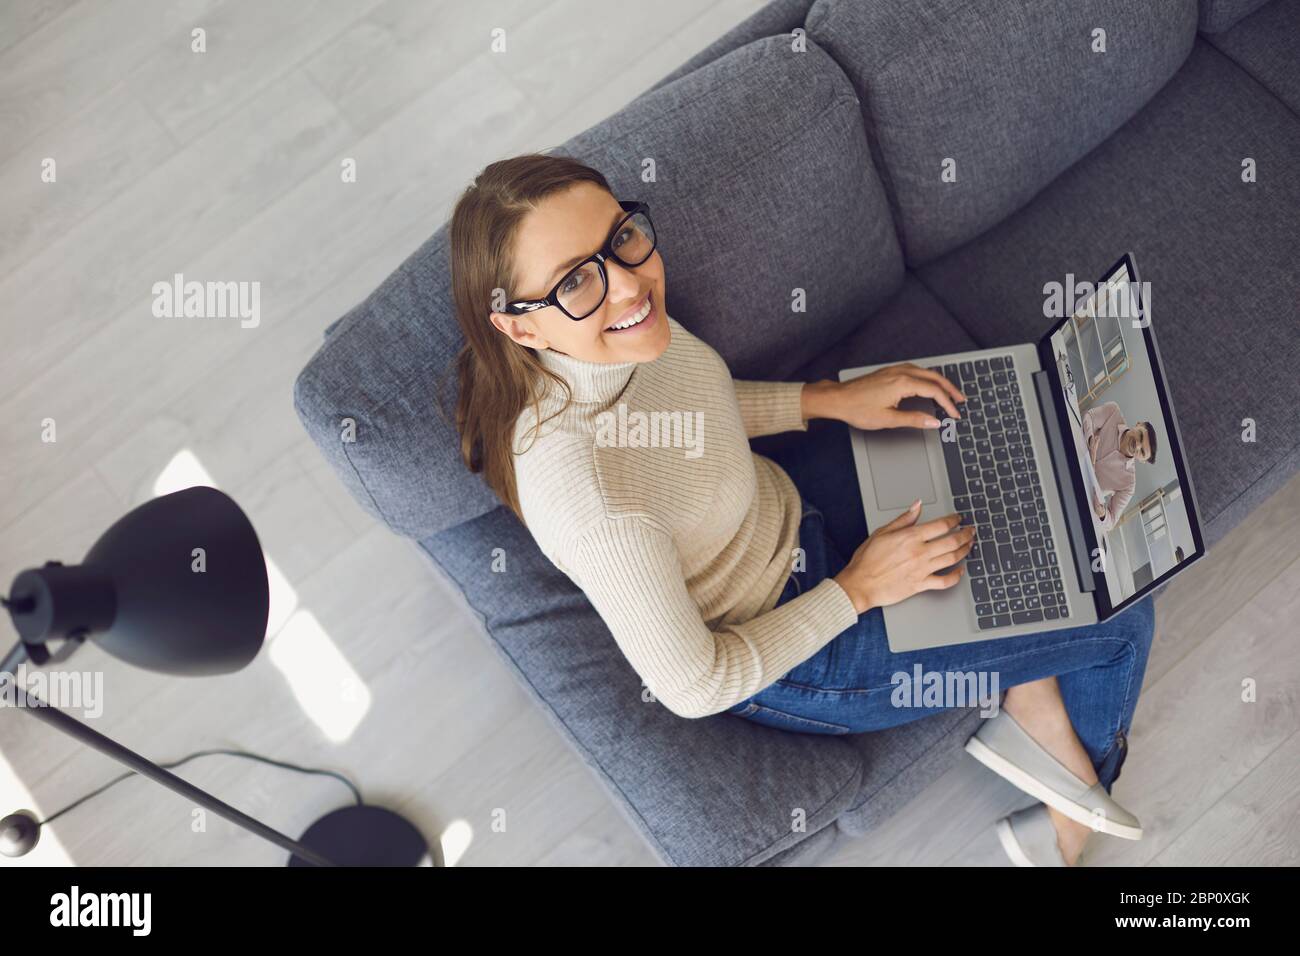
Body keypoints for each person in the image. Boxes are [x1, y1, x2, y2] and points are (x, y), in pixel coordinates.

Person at [447, 154, 1155, 866]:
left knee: (1030, 478)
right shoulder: (589, 497)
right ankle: (1076, 809)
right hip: (793, 650)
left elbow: (691, 420)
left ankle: (1026, 684)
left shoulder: (617, 333)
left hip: (795, 512)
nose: (631, 283)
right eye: (576, 279)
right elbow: (696, 685)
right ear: (520, 328)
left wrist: (825, 400)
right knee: (1121, 604)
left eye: (622, 237)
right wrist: (858, 589)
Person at [1082, 401, 1156, 531]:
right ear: (1138, 424)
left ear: (1142, 460)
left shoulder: (1129, 484)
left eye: (1142, 452)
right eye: (1140, 435)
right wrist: (1090, 441)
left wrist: (1103, 514)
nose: (1137, 445)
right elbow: (1089, 416)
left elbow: (1111, 521)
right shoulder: (1113, 411)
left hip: (1083, 495)